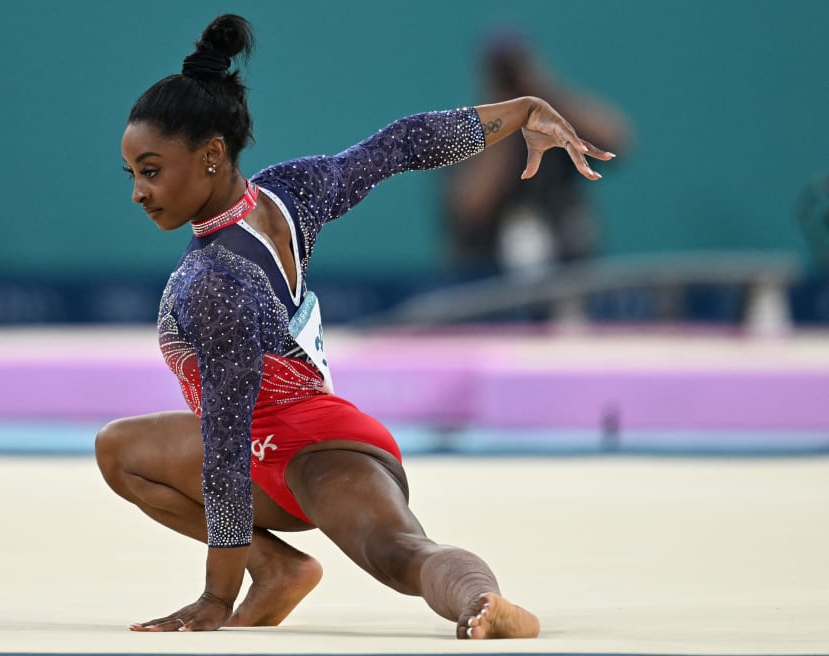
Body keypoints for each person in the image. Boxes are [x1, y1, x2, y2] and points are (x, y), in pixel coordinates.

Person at [95, 14, 613, 639]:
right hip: (267, 445)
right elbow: (398, 147)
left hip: (320, 449)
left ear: (210, 155)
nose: (138, 193)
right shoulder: (287, 195)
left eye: (150, 171)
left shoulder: (214, 283)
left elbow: (226, 448)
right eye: (132, 175)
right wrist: (518, 113)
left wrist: (214, 598)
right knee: (119, 449)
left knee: (403, 556)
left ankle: (483, 603)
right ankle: (280, 570)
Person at [442, 29, 630, 280]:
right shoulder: (466, 132)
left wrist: (544, 95)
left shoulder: (554, 121)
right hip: (490, 281)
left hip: (568, 269)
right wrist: (505, 116)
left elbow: (616, 140)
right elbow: (470, 207)